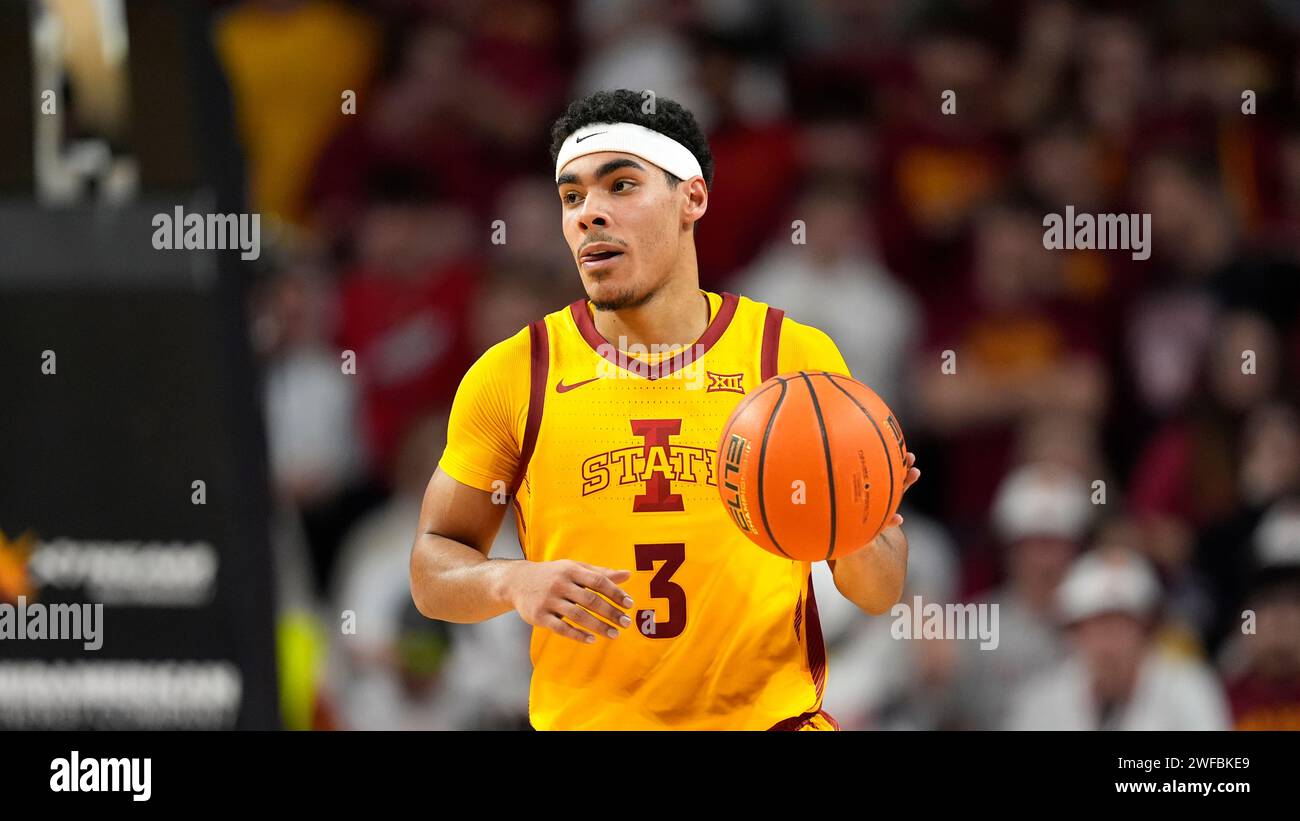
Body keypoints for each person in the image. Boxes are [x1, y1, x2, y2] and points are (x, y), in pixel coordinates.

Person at [408, 89, 918, 730]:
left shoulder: (791, 355)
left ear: (692, 199)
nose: (590, 214)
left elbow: (880, 592)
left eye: (620, 186)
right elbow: (433, 568)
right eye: (572, 197)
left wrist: (854, 519)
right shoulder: (514, 373)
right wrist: (511, 582)